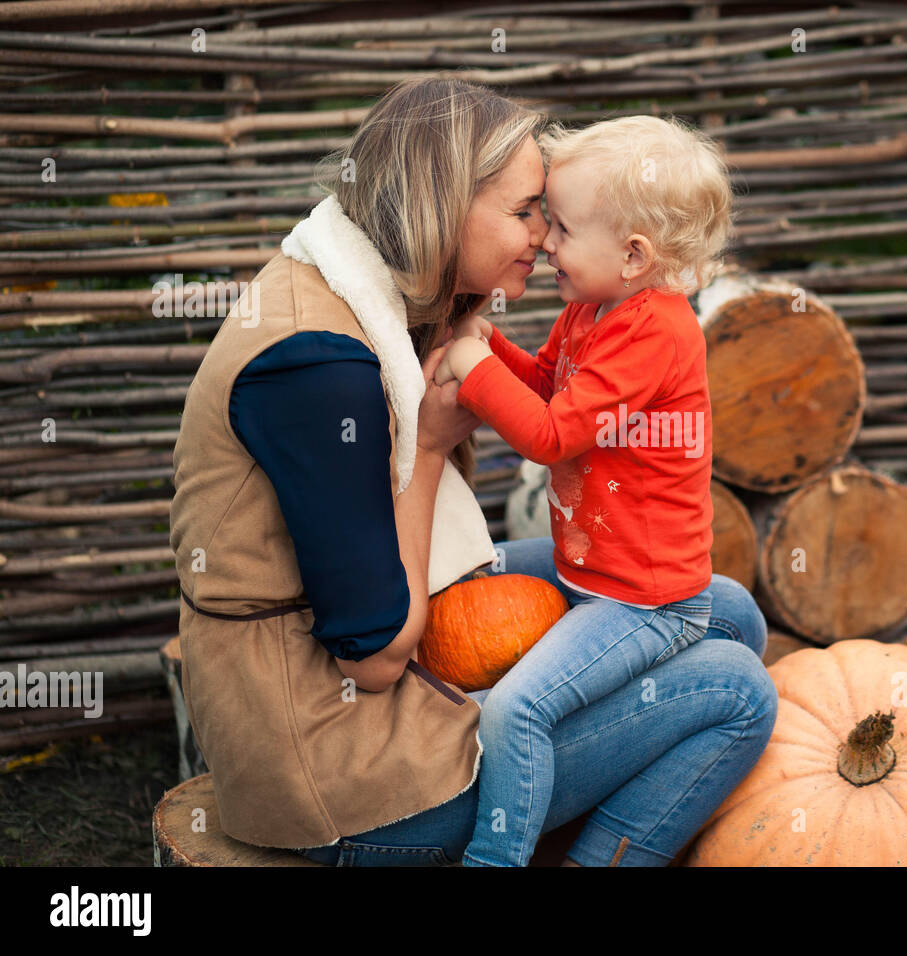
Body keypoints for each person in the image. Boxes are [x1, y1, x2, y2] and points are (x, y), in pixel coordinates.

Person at [167, 76, 777, 867]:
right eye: (527, 213)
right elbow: (375, 653)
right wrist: (426, 447)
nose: (542, 236)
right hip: (344, 775)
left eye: (550, 217)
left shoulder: (360, 295)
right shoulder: (317, 363)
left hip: (361, 681)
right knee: (736, 686)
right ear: (444, 203)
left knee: (721, 604)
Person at [433, 115, 733, 867]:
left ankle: (494, 859)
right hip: (589, 568)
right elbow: (546, 385)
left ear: (633, 255)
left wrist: (472, 370)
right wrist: (485, 339)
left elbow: (549, 434)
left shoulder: (657, 333)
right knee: (479, 568)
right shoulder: (591, 312)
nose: (544, 242)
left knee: (517, 711)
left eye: (561, 228)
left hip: (644, 601)